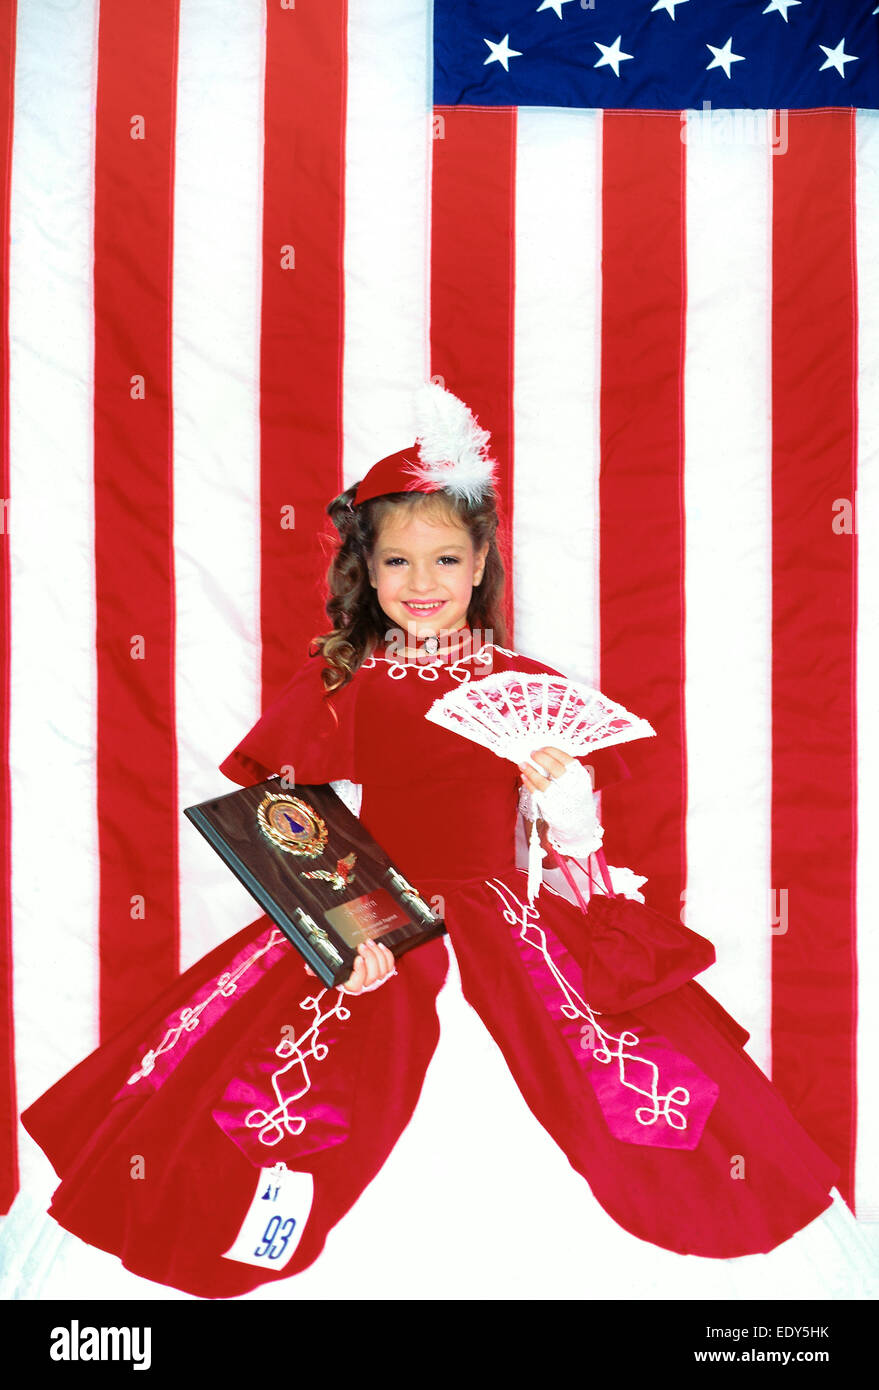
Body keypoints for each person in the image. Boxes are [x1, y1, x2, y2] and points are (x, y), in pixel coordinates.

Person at [19, 384, 839, 1300]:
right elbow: (293, 827)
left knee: (607, 1092)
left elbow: (574, 860)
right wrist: (342, 936)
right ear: (366, 573)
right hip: (372, 917)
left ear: (481, 561)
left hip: (509, 921)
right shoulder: (344, 682)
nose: (422, 585)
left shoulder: (522, 682)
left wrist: (564, 798)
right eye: (398, 562)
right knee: (288, 1097)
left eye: (446, 558)